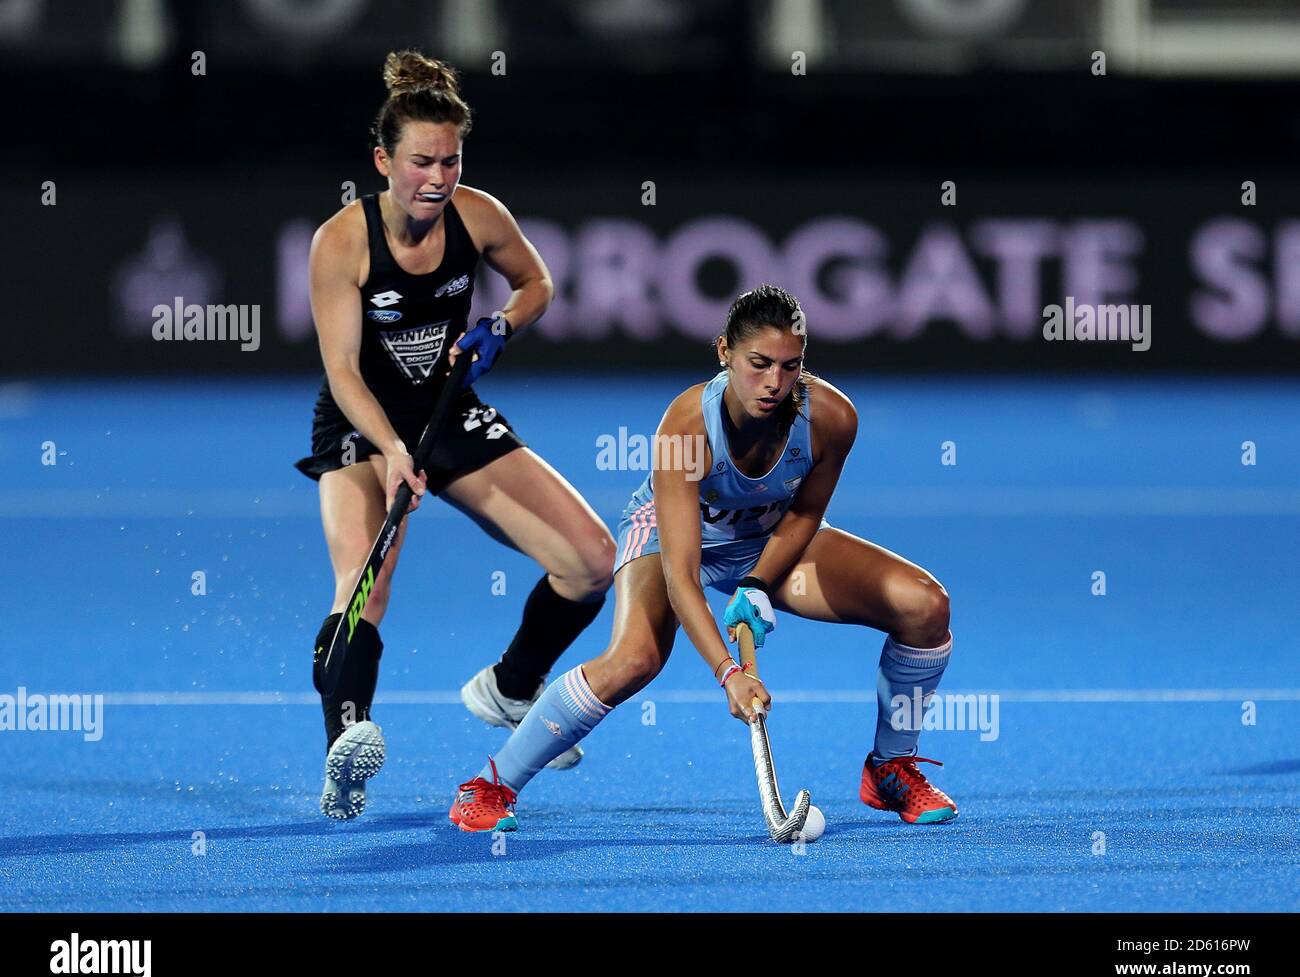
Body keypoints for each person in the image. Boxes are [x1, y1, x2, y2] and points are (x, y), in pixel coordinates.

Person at [450, 284, 958, 833]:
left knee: (924, 606)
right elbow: (680, 574)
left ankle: (891, 767)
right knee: (634, 660)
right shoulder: (687, 425)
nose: (774, 383)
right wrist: (729, 674)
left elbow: (806, 514)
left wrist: (759, 584)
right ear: (724, 353)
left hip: (770, 536)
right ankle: (490, 784)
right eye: (758, 364)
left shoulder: (833, 417)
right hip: (673, 539)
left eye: (791, 367)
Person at [295, 50, 614, 820]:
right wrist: (393, 452)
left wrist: (499, 327)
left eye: (451, 159)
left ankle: (510, 684)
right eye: (420, 162)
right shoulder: (341, 242)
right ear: (383, 160)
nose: (437, 178)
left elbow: (537, 284)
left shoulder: (478, 215)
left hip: (447, 410)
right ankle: (347, 741)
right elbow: (342, 370)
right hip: (361, 421)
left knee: (592, 561)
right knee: (366, 580)